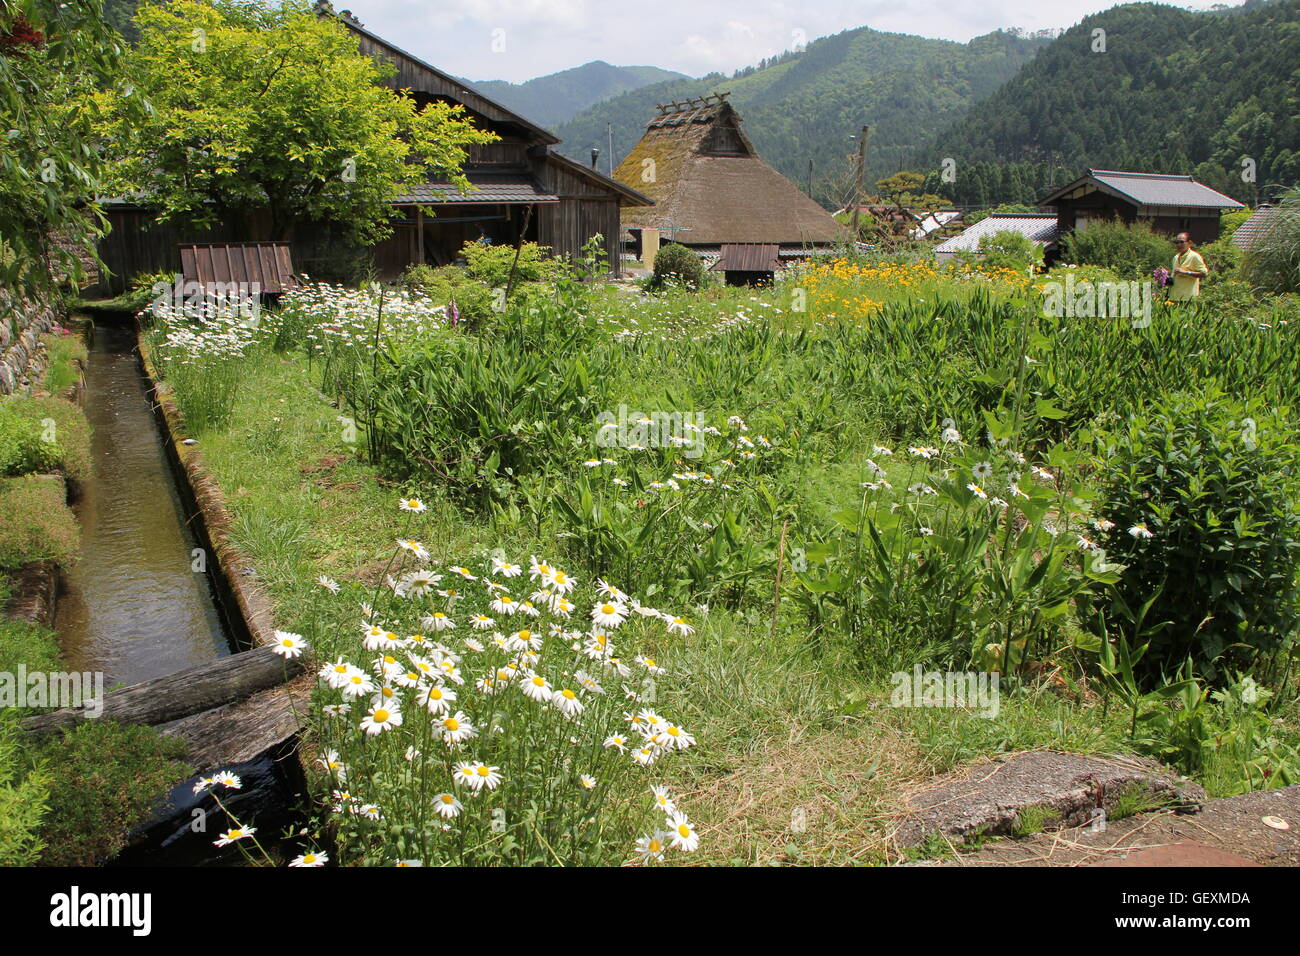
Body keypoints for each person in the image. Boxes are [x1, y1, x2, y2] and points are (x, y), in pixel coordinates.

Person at [1170, 232, 1208, 301]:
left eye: (1182, 242)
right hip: (1174, 297)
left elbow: (1204, 273)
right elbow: (1173, 274)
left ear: (1189, 243)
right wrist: (1166, 280)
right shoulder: (1175, 257)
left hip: (1188, 299)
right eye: (1177, 242)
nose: (1179, 244)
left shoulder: (1194, 256)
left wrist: (1186, 272)